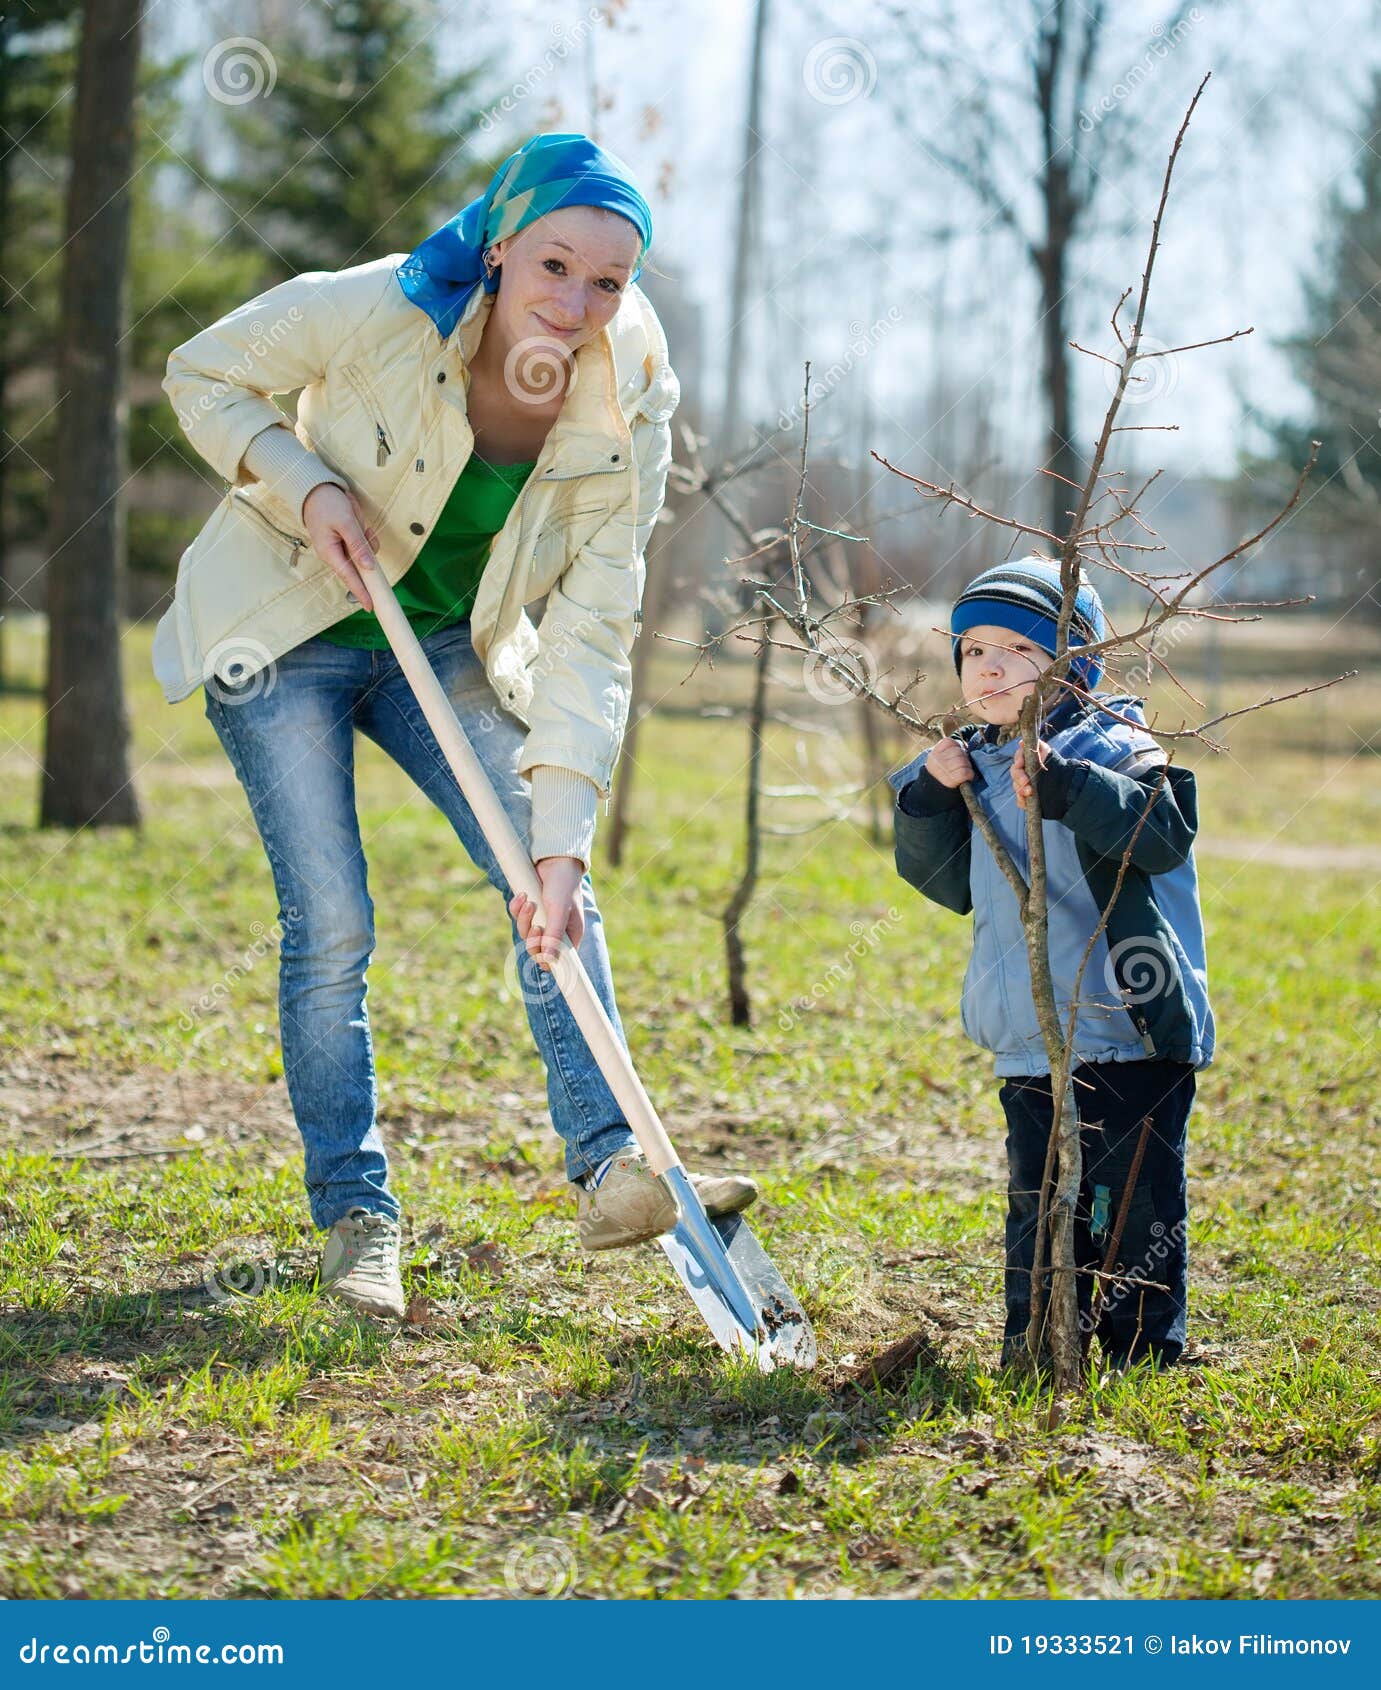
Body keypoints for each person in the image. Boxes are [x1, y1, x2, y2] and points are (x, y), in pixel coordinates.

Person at [156, 133, 754, 1320]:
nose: (577, 303)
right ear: (497, 248)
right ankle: (356, 1216)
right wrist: (305, 481)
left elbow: (595, 618)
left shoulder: (628, 393)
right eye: (553, 266)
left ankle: (611, 1167)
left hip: (441, 645)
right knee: (330, 921)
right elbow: (200, 374)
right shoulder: (377, 306)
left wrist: (563, 829)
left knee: (550, 888)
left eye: (608, 281)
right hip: (285, 622)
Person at [888, 558, 1215, 1372]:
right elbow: (940, 884)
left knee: (1132, 1200)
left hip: (1128, 1027)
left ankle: (1140, 1349)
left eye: (1016, 650)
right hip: (1030, 1037)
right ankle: (1033, 1342)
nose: (988, 667)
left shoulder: (1117, 747)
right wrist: (926, 796)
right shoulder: (972, 762)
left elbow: (1160, 836)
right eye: (971, 652)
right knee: (1038, 1202)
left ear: (1077, 669)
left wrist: (1070, 785)